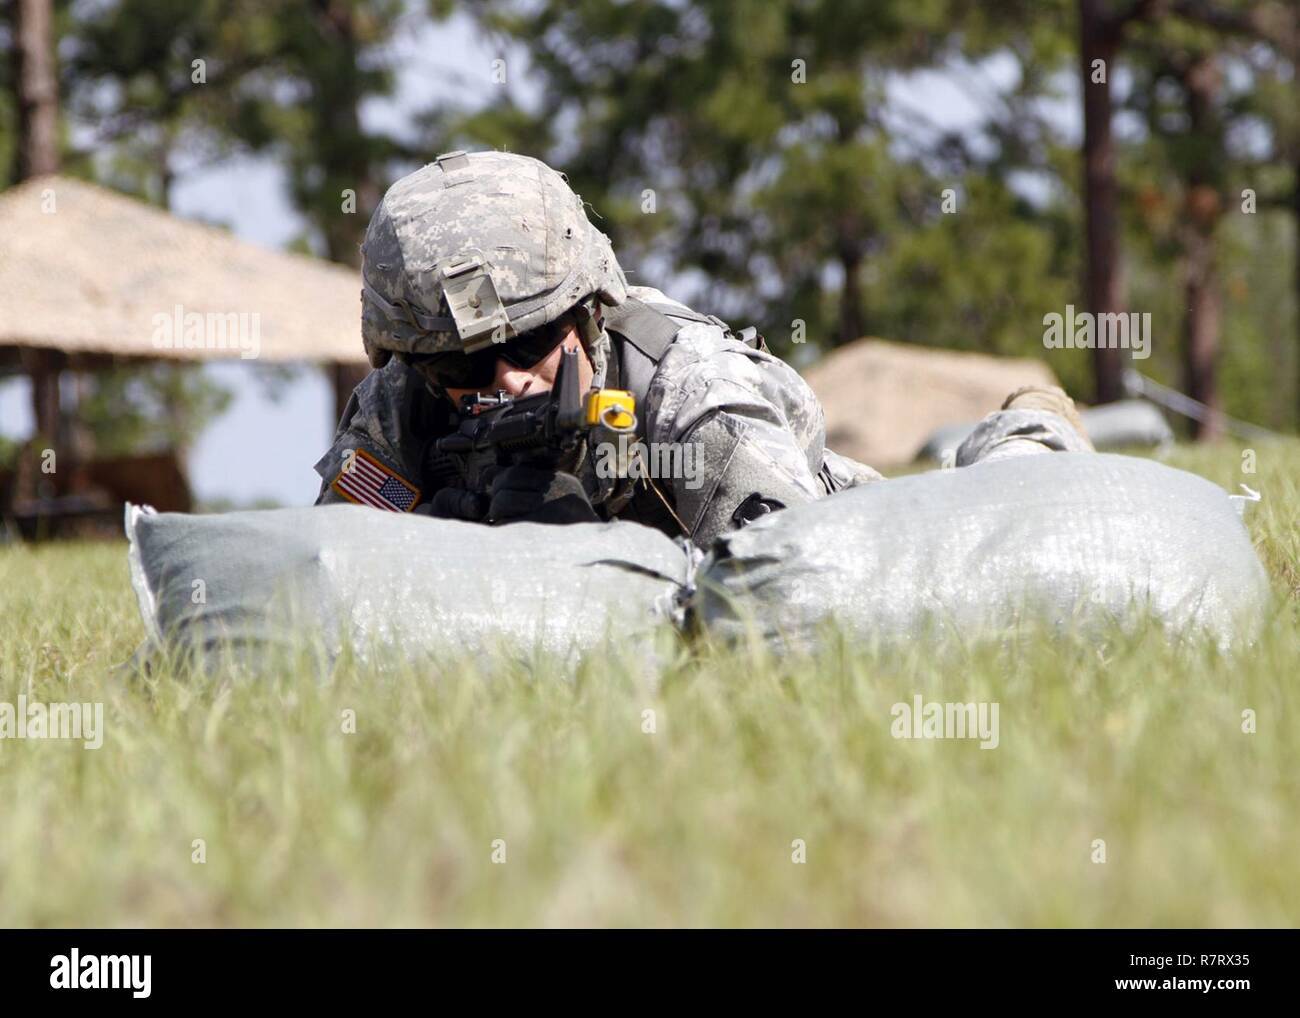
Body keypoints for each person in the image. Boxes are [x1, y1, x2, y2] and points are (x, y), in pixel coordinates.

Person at [314, 150, 1091, 547]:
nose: (508, 379)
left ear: (588, 312)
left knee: (992, 518)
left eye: (534, 340)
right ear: (414, 361)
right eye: (462, 367)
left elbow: (794, 595)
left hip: (854, 524)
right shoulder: (399, 407)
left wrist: (594, 568)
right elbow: (317, 587)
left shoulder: (688, 387)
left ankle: (1029, 430)